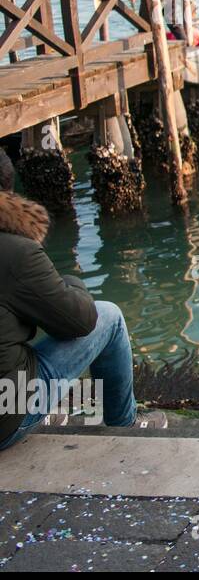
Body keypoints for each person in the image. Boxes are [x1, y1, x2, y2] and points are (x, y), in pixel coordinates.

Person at [0, 152, 164, 451]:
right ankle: (124, 424)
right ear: (9, 188)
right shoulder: (16, 253)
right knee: (109, 317)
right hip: (5, 416)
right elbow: (79, 321)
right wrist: (71, 283)